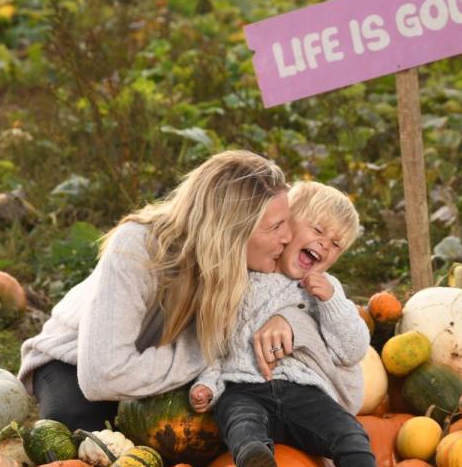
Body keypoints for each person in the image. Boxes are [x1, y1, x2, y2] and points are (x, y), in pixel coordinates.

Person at [188, 181, 409, 467]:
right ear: (286, 226)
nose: (325, 245)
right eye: (318, 231)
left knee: (351, 435)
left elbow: (352, 348)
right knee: (240, 420)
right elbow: (214, 342)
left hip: (302, 391)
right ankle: (256, 459)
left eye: (336, 245)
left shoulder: (324, 290)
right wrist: (208, 383)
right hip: (243, 386)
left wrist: (332, 300)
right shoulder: (239, 277)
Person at [18, 150, 323, 431]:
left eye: (287, 223)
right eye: (275, 227)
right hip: (76, 359)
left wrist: (288, 319)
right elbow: (103, 375)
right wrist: (206, 355)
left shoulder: (257, 257)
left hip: (163, 368)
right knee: (78, 432)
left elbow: (319, 298)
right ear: (231, 232)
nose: (288, 237)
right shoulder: (136, 247)